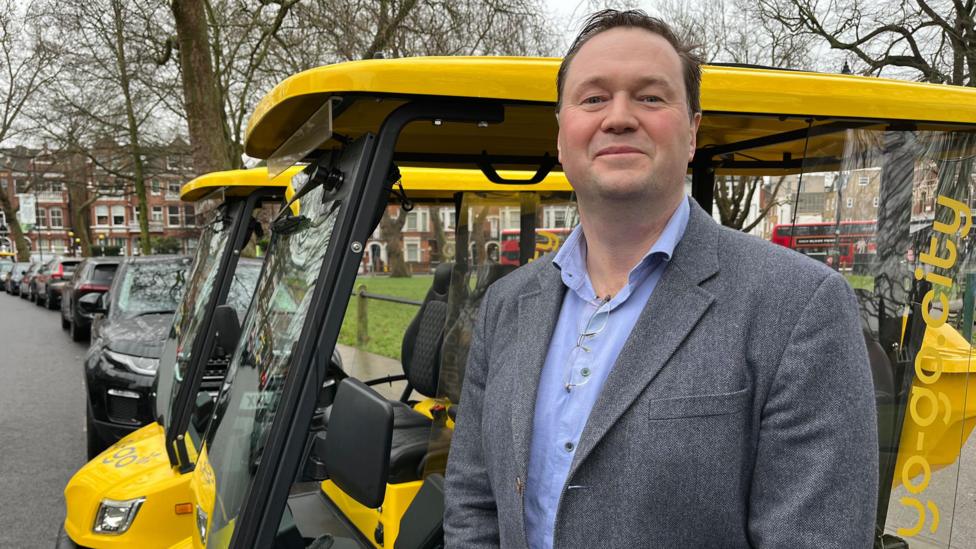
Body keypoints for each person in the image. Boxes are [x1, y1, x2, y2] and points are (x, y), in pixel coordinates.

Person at [444, 9, 878, 548]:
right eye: (593, 98)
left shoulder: (799, 306)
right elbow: (473, 502)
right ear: (560, 135)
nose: (619, 117)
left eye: (650, 97)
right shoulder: (506, 304)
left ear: (692, 132)